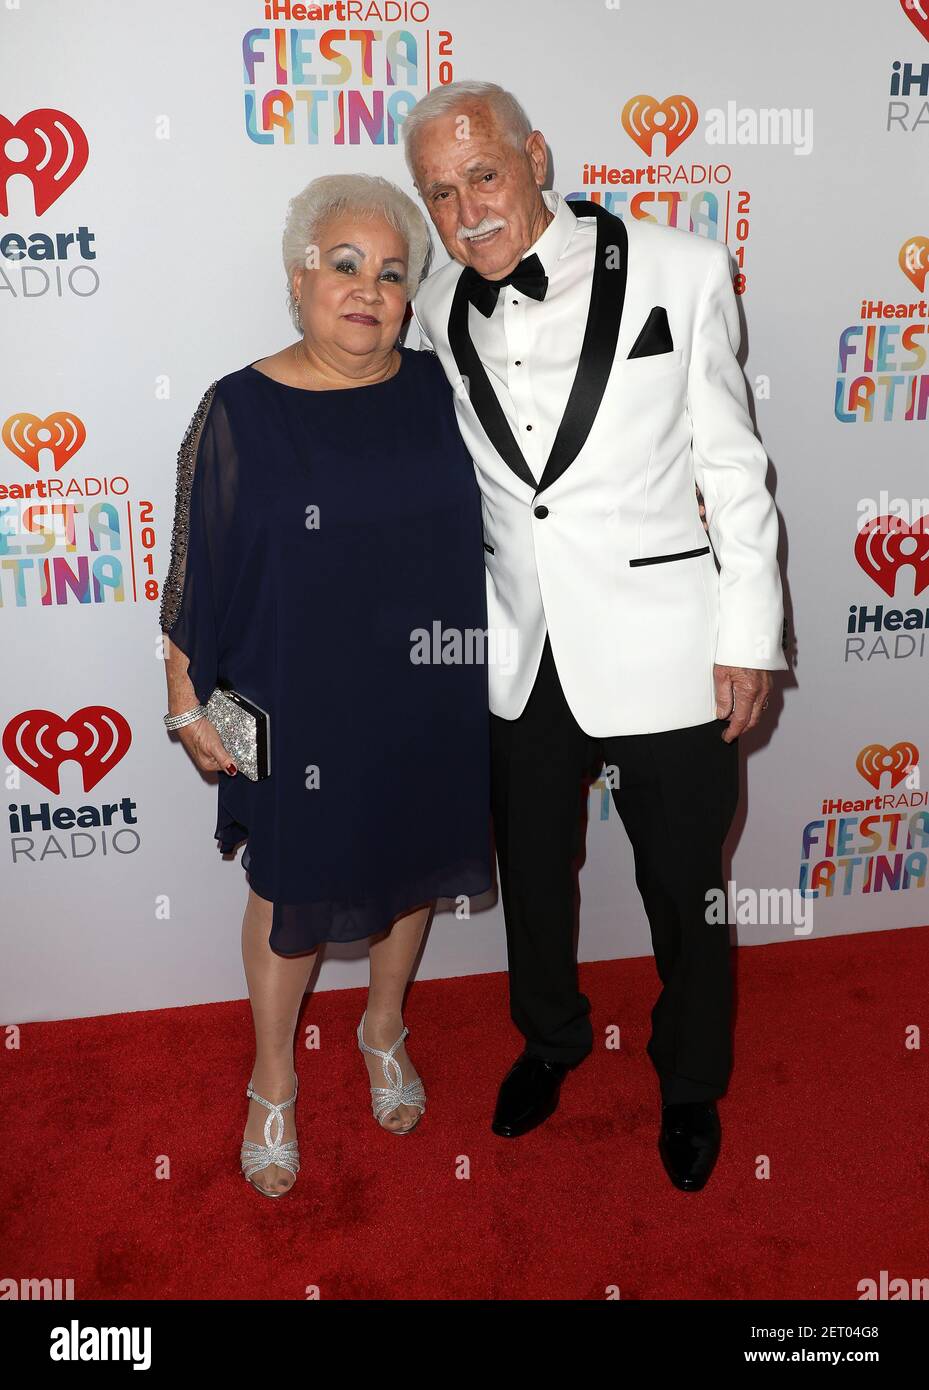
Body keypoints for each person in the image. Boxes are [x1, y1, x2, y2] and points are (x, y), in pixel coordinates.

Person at [402, 80, 788, 1191]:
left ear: (535, 158)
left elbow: (732, 468)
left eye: (483, 175)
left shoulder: (680, 267)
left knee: (685, 885)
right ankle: (550, 1040)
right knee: (533, 876)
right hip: (520, 652)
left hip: (667, 643)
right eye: (439, 193)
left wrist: (747, 635)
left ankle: (689, 1079)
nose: (466, 210)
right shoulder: (434, 304)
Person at [159, 173, 492, 1198]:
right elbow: (194, 566)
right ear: (298, 277)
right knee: (286, 885)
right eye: (343, 265)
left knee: (412, 865)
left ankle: (382, 1030)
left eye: (391, 274)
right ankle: (272, 1078)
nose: (367, 289)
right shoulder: (239, 407)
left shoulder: (446, 389)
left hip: (429, 686)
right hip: (293, 695)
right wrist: (185, 695)